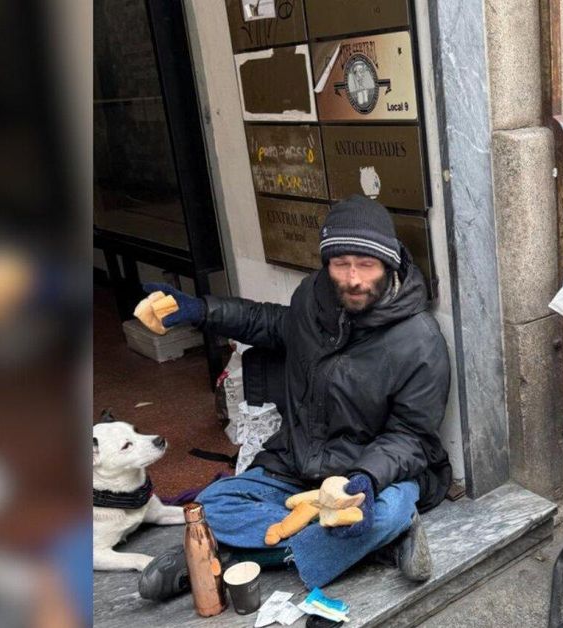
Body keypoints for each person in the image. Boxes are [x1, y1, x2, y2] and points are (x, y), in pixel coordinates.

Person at [137, 195, 451, 599]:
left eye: (367, 265)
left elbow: (411, 436)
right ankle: (375, 548)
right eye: (341, 264)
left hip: (369, 475)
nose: (353, 278)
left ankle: (235, 554)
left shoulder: (420, 340)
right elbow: (272, 323)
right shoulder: (313, 298)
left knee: (386, 511)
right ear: (327, 264)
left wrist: (364, 479)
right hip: (296, 465)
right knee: (213, 503)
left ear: (389, 264)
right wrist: (201, 310)